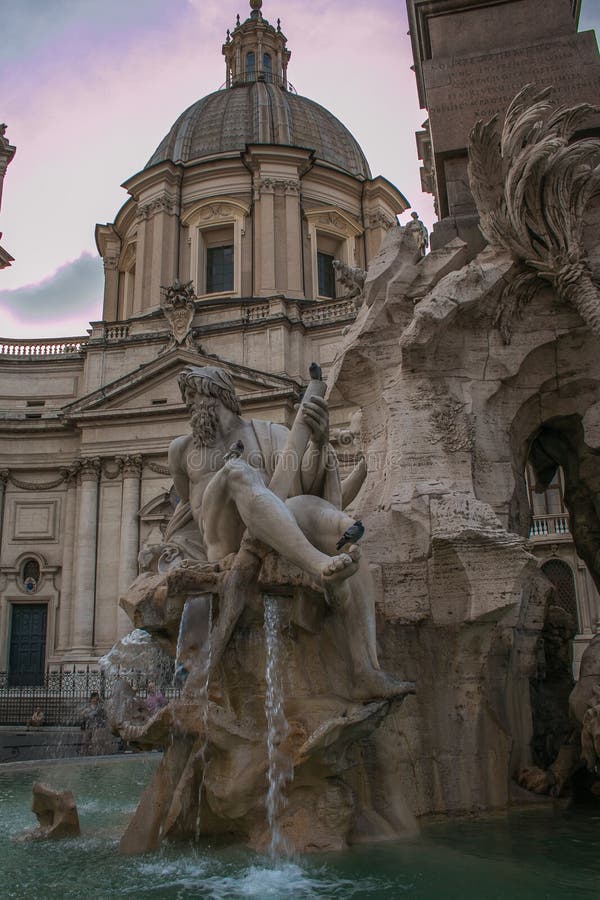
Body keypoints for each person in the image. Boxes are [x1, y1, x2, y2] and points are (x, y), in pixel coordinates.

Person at [166, 365, 414, 701]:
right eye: (187, 399)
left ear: (218, 394)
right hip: (224, 540)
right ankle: (320, 567)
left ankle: (365, 669)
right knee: (236, 471)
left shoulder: (270, 432)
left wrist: (319, 441)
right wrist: (174, 553)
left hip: (272, 524)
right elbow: (185, 516)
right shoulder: (182, 450)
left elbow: (306, 483)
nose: (188, 405)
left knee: (343, 529)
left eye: (193, 395)